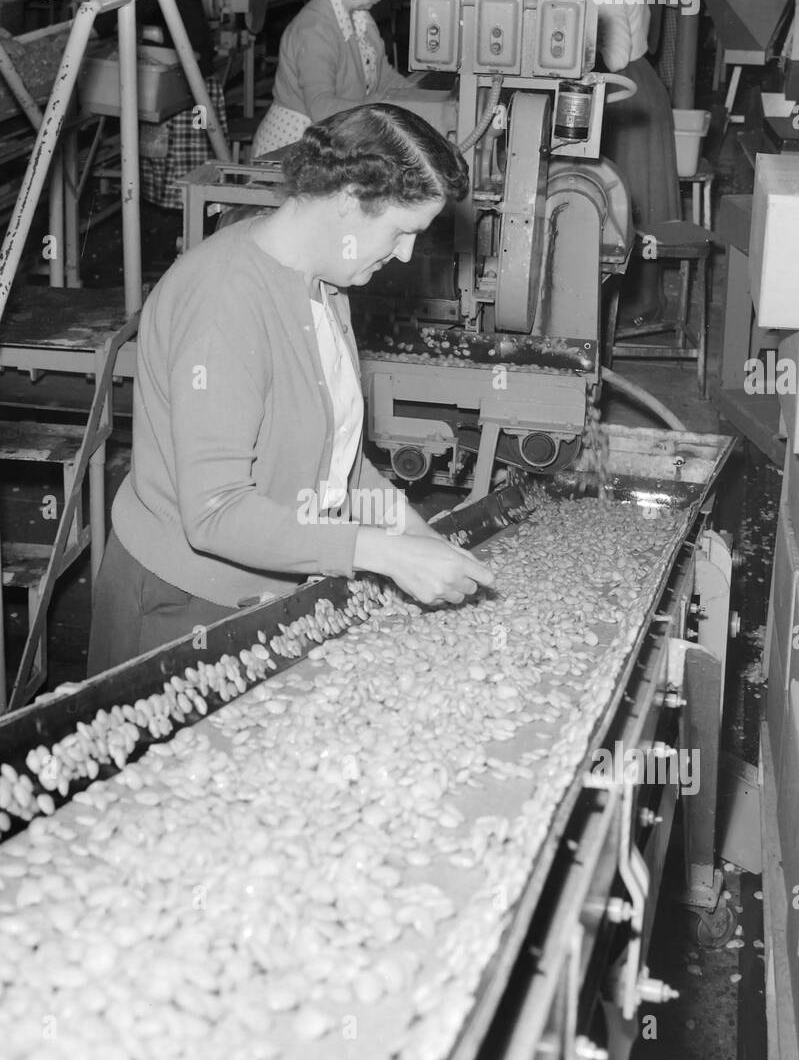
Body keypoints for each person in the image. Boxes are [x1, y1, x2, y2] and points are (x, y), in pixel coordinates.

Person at [87, 103, 494, 673]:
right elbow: (216, 513)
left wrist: (414, 532)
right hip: (187, 606)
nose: (404, 255)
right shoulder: (225, 303)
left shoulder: (324, 286)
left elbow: (334, 464)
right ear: (350, 199)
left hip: (271, 587)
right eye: (402, 232)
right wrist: (383, 554)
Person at [550, 0, 680, 323]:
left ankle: (635, 308)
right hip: (645, 84)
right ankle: (643, 304)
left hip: (628, 89)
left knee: (627, 198)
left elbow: (617, 52)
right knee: (641, 197)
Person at [100, 0, 228, 211]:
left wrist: (90, 24)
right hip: (178, 79)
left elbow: (127, 11)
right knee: (172, 174)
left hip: (189, 83)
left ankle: (189, 236)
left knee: (188, 181)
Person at [252, 0, 416, 159]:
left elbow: (383, 75)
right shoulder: (315, 29)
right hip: (293, 147)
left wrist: (421, 97)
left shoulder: (361, 18)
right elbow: (321, 108)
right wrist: (381, 106)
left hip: (331, 138)